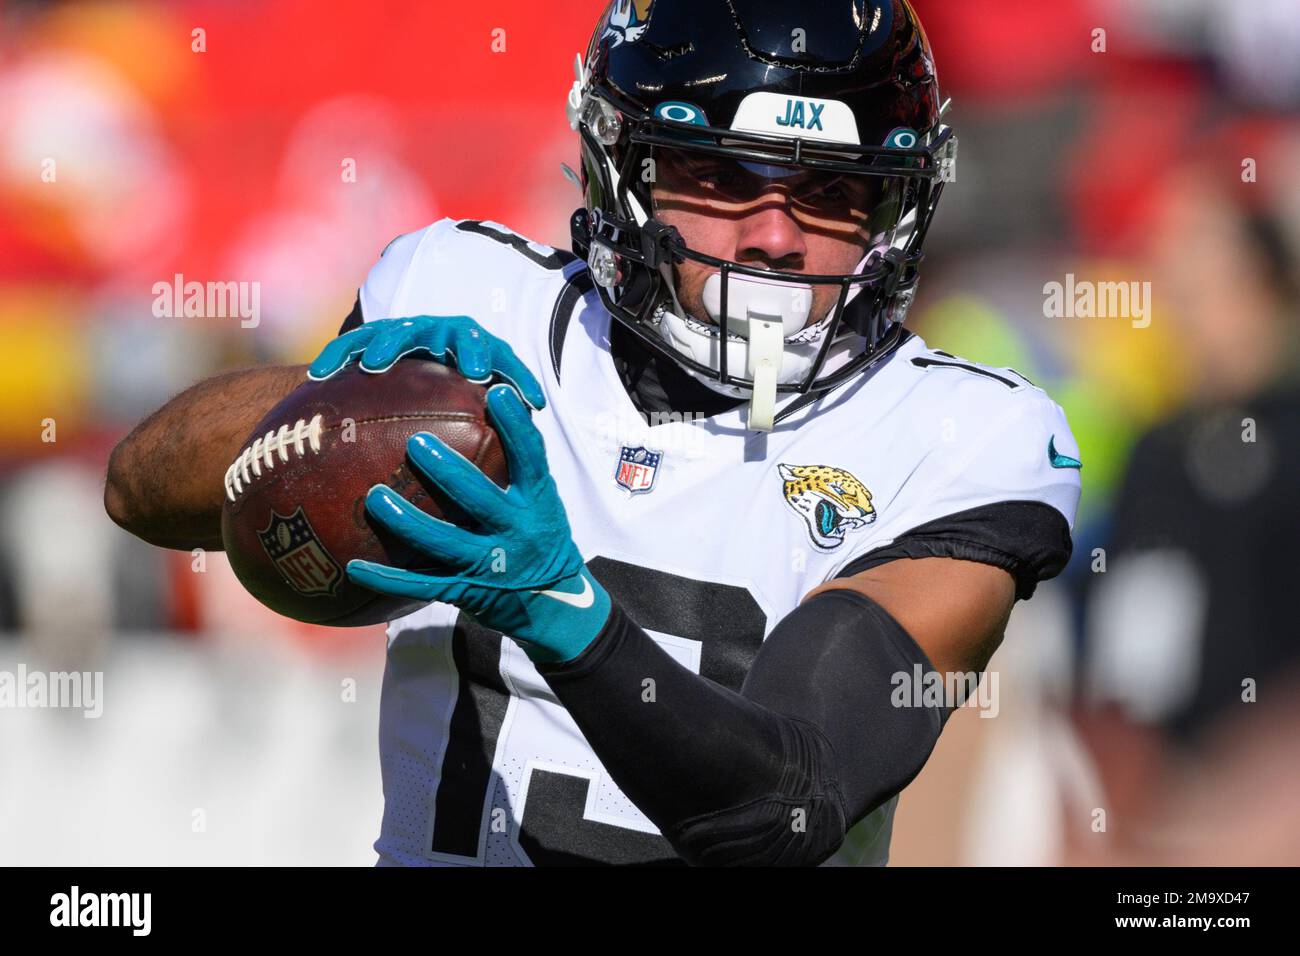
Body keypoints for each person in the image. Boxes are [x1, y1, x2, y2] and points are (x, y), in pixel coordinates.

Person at [105, 0, 1081, 866]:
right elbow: (139, 489)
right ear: (629, 171)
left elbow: (786, 808)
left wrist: (560, 609)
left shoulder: (958, 437)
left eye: (831, 189)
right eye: (726, 177)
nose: (777, 236)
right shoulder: (477, 302)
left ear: (897, 203)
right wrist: (328, 394)